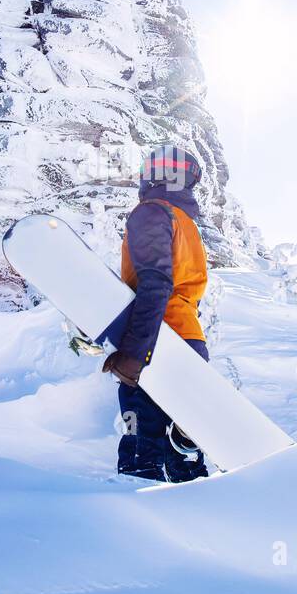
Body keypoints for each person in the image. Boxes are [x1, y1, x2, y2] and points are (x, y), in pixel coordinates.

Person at [102, 144, 211, 482]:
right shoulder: (187, 224)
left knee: (141, 452)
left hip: (157, 342)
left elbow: (156, 283)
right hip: (189, 341)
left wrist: (135, 353)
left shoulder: (152, 212)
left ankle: (140, 527)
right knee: (182, 458)